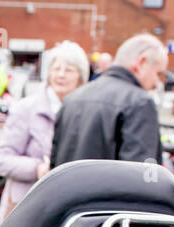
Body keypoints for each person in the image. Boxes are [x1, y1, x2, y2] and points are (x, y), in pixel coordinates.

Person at [0, 41, 89, 225]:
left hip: (67, 211)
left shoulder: (86, 114)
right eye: (56, 68)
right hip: (24, 210)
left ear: (80, 77)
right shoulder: (26, 108)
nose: (61, 75)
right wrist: (37, 169)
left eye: (69, 70)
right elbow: (1, 160)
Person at [50, 33, 164, 167]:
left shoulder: (73, 98)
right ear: (141, 63)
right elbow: (141, 177)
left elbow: (55, 164)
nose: (157, 82)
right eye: (158, 73)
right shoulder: (139, 103)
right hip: (109, 188)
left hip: (67, 187)